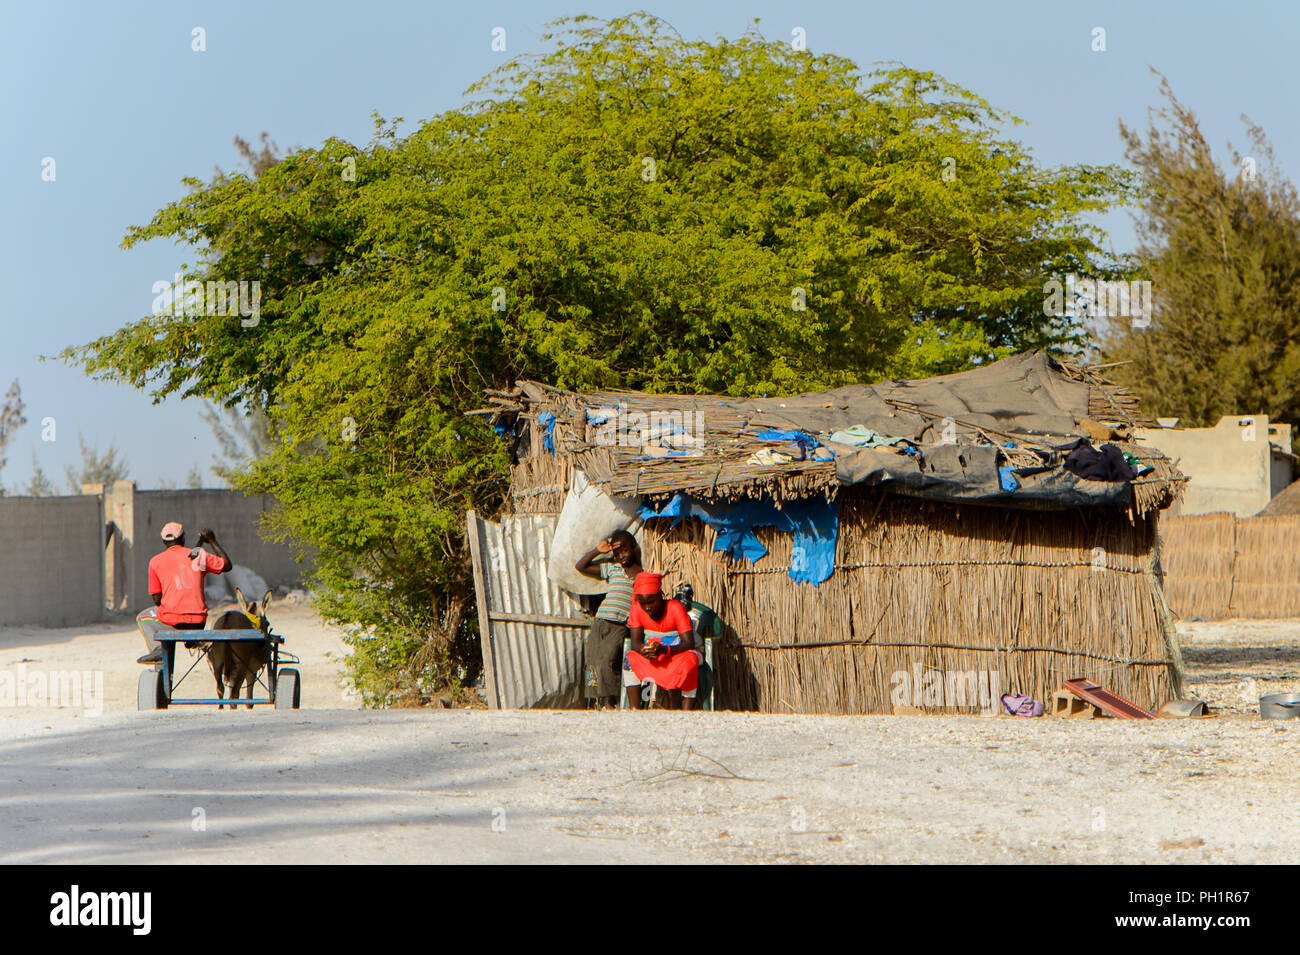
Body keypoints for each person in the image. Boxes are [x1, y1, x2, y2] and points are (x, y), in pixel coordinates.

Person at [136, 522, 232, 670]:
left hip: (172, 622)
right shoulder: (198, 556)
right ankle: (192, 640)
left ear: (163, 541)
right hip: (198, 622)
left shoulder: (155, 561)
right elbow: (227, 565)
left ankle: (158, 650)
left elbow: (156, 599)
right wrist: (212, 541)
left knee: (142, 617)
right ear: (183, 538)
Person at [574, 530, 641, 709]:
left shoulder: (641, 576)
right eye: (617, 553)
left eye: (624, 550)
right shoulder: (613, 569)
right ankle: (593, 701)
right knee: (592, 662)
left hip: (620, 624)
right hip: (601, 620)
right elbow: (580, 566)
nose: (621, 556)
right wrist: (598, 550)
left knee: (608, 662)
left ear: (634, 547)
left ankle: (609, 701)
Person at [625, 572, 699, 710]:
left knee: (691, 660)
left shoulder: (675, 608)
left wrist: (665, 650)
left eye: (651, 602)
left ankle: (686, 713)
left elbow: (689, 643)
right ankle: (634, 709)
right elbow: (635, 642)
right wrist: (644, 650)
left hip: (675, 655)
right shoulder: (636, 608)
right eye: (643, 603)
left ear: (661, 596)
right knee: (629, 659)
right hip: (653, 656)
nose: (647, 607)